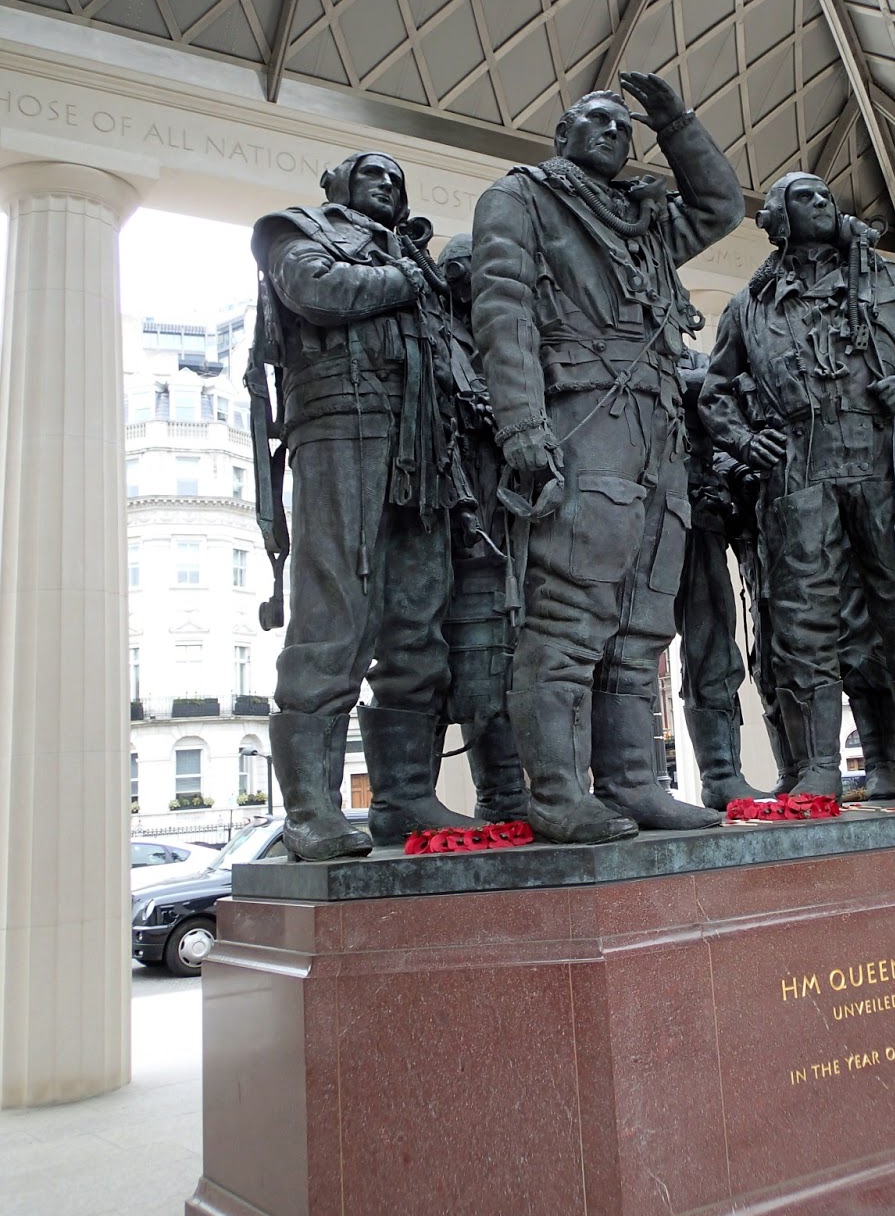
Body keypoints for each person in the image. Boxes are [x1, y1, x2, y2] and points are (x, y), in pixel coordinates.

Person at [471, 72, 745, 843]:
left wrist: (678, 122)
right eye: (594, 122)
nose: (614, 131)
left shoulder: (643, 220)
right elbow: (503, 310)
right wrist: (523, 425)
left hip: (658, 426)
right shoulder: (522, 197)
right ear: (560, 139)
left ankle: (630, 783)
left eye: (624, 127)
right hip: (582, 414)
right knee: (570, 609)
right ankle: (557, 794)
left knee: (643, 618)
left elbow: (722, 207)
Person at [699, 172, 895, 807]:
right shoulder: (752, 304)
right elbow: (715, 391)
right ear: (777, 218)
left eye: (825, 194)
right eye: (805, 196)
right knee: (805, 620)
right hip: (800, 467)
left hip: (886, 460)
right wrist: (747, 442)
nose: (822, 201)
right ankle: (818, 769)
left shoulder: (889, 283)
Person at [249, 152, 472, 860]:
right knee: (333, 613)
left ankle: (404, 798)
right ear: (336, 185)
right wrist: (408, 277)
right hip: (342, 429)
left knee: (417, 622)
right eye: (373, 173)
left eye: (397, 179)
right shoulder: (295, 229)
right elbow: (316, 291)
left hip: (423, 446)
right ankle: (311, 810)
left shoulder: (412, 256)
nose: (388, 185)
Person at [436, 233, 528, 822]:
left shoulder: (505, 343)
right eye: (473, 271)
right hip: (456, 517)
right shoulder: (434, 336)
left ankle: (511, 792)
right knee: (473, 656)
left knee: (513, 653)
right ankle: (498, 794)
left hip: (507, 510)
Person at [676, 351, 771, 810]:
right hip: (623, 510)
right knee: (619, 650)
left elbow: (723, 436)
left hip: (698, 508)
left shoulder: (698, 357)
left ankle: (720, 773)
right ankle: (621, 782)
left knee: (712, 641)